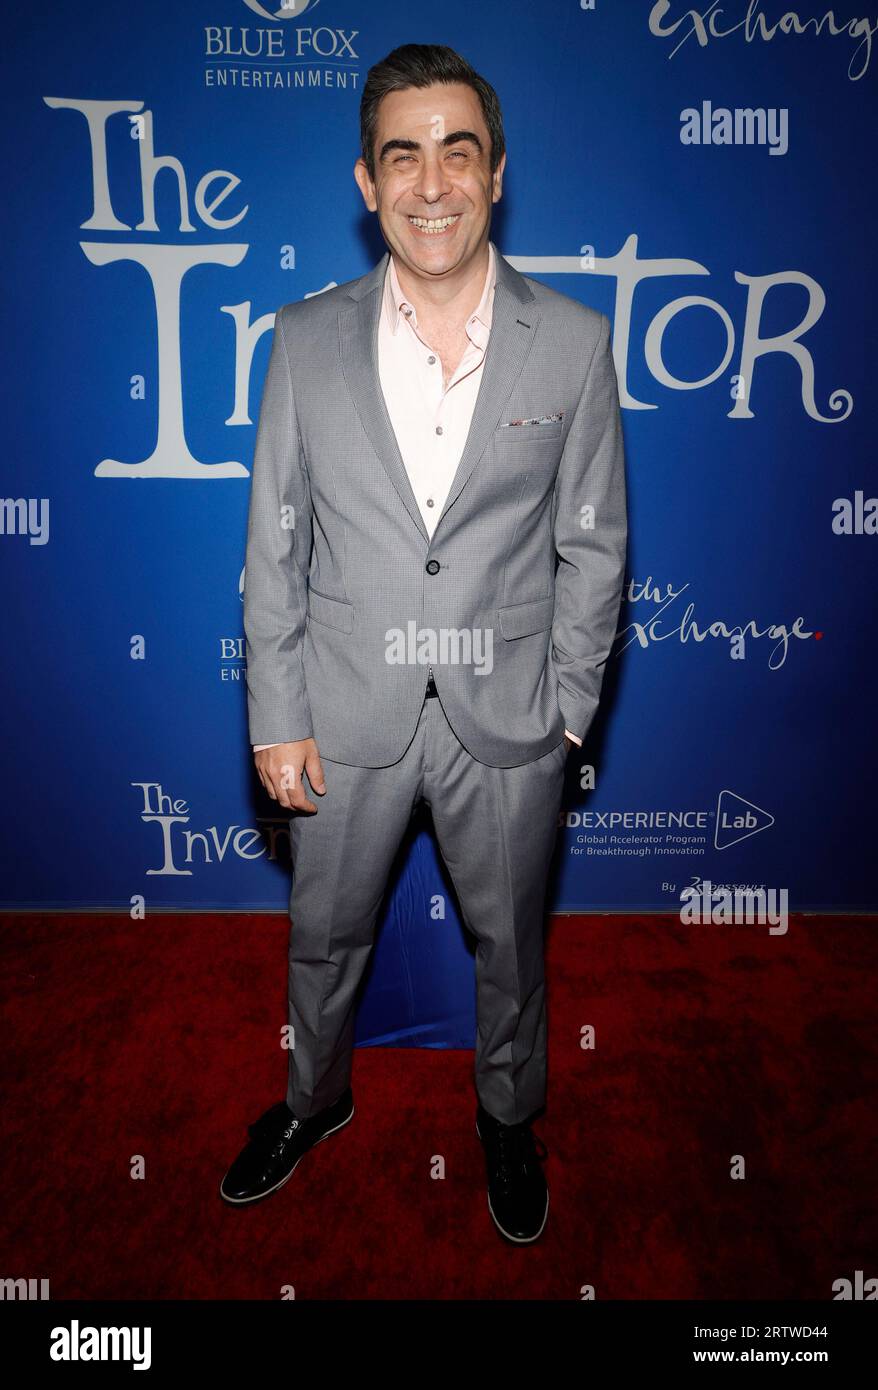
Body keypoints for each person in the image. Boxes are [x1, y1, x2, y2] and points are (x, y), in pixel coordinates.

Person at [220, 43, 627, 1244]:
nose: (431, 179)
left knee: (511, 944)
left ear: (494, 174)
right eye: (404, 154)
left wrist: (564, 713)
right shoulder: (300, 340)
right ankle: (314, 1098)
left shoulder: (574, 343)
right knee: (323, 936)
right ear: (366, 180)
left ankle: (507, 1115)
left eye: (458, 150)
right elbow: (272, 548)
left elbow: (593, 546)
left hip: (509, 719)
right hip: (342, 713)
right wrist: (275, 713)